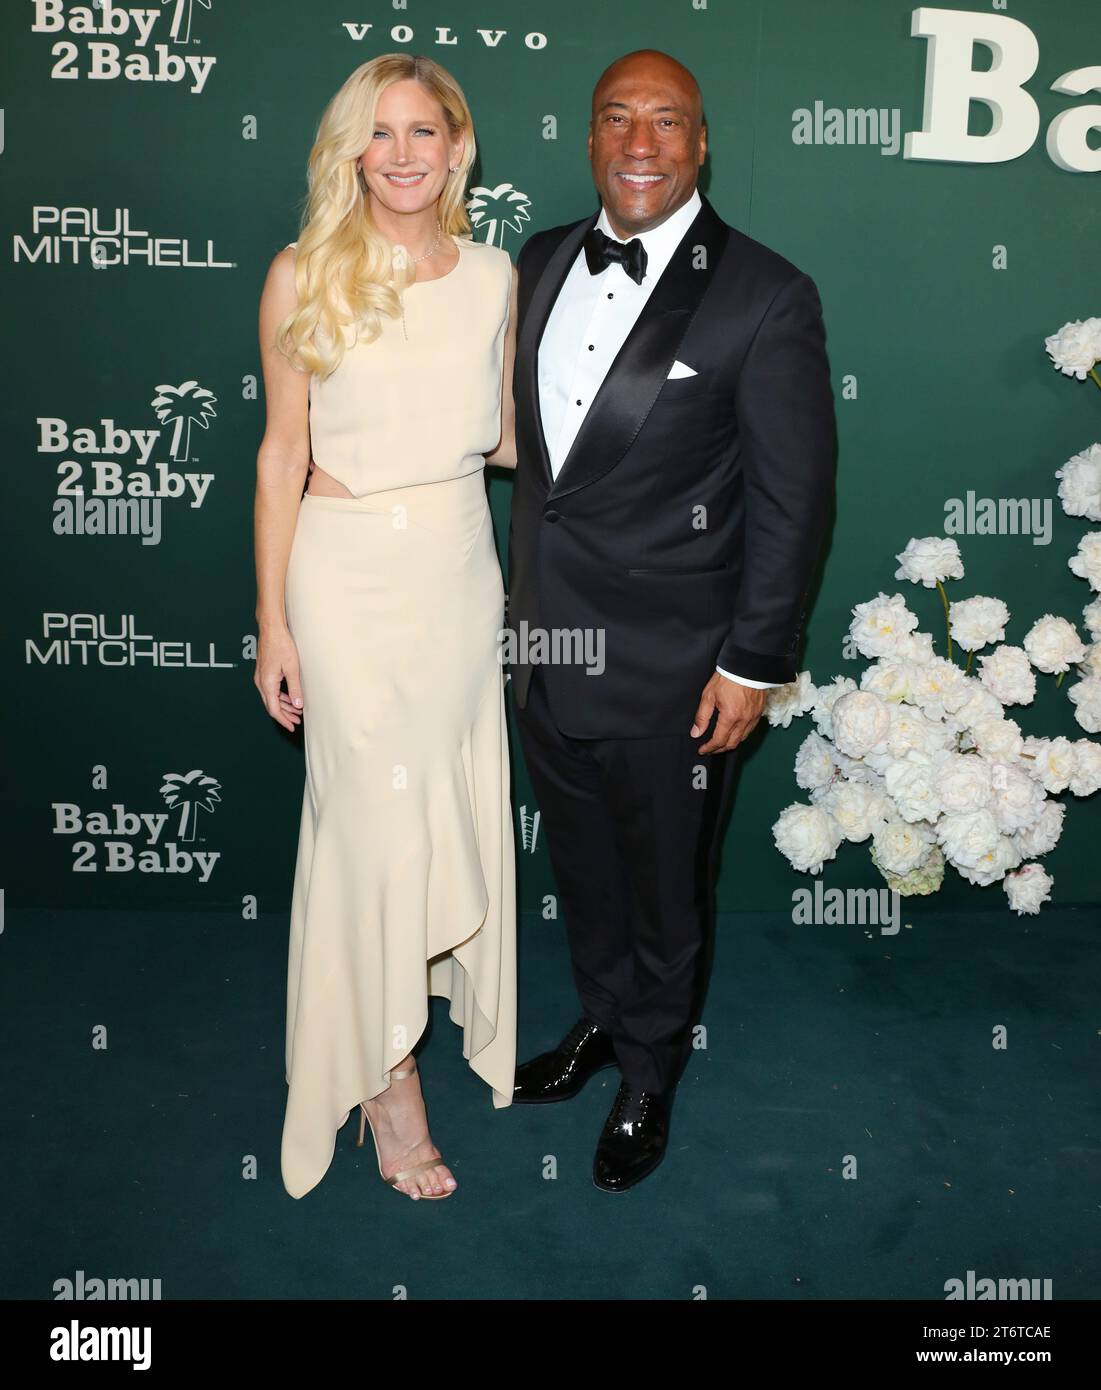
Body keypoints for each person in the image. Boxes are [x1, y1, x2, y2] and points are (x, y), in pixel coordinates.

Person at [506, 49, 837, 1191]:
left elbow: (794, 499)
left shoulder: (766, 292)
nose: (639, 143)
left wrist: (753, 661)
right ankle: (604, 1018)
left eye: (665, 121)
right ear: (589, 137)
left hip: (677, 663)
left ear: (701, 144)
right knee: (587, 866)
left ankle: (651, 1069)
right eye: (616, 118)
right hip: (545, 642)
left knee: (664, 882)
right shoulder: (541, 258)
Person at [253, 53, 519, 1201]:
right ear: (351, 152)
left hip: (456, 568)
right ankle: (386, 1075)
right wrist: (272, 623)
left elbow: (506, 438)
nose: (402, 153)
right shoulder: (302, 272)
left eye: (423, 131)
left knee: (439, 802)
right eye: (379, 132)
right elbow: (281, 455)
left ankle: (401, 1016)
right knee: (369, 818)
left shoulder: (496, 274)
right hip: (344, 574)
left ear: (458, 147)